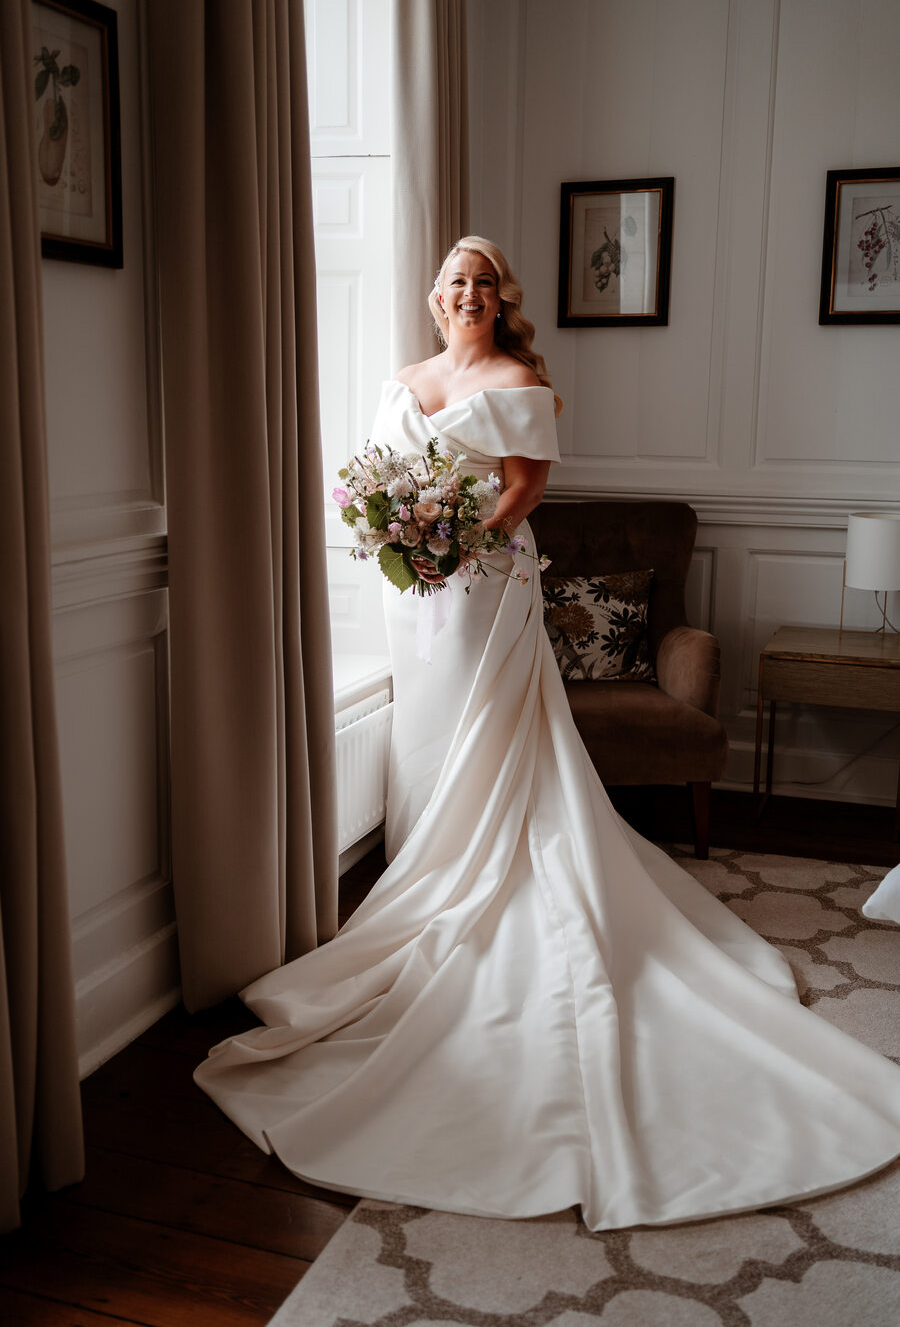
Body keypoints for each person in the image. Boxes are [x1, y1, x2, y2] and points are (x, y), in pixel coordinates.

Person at [195, 236, 900, 1232]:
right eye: (454, 282)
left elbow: (525, 485)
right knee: (429, 740)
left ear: (500, 299)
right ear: (434, 298)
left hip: (483, 581)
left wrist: (459, 541)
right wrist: (403, 536)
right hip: (417, 595)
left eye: (483, 282)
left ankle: (482, 885)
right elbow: (380, 475)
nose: (468, 294)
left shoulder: (518, 377)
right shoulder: (406, 377)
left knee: (490, 734)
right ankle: (426, 874)